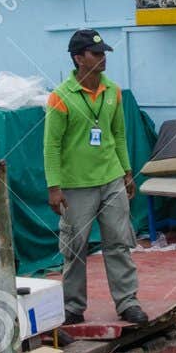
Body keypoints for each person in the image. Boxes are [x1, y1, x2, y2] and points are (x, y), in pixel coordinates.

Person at [44, 29, 144, 327]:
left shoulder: (112, 91)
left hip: (111, 178)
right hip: (75, 186)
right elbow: (51, 146)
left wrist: (127, 172)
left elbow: (119, 134)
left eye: (103, 54)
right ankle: (73, 307)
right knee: (75, 248)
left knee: (119, 243)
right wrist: (54, 187)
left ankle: (128, 302)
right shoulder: (60, 97)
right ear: (78, 58)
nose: (103, 59)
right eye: (96, 54)